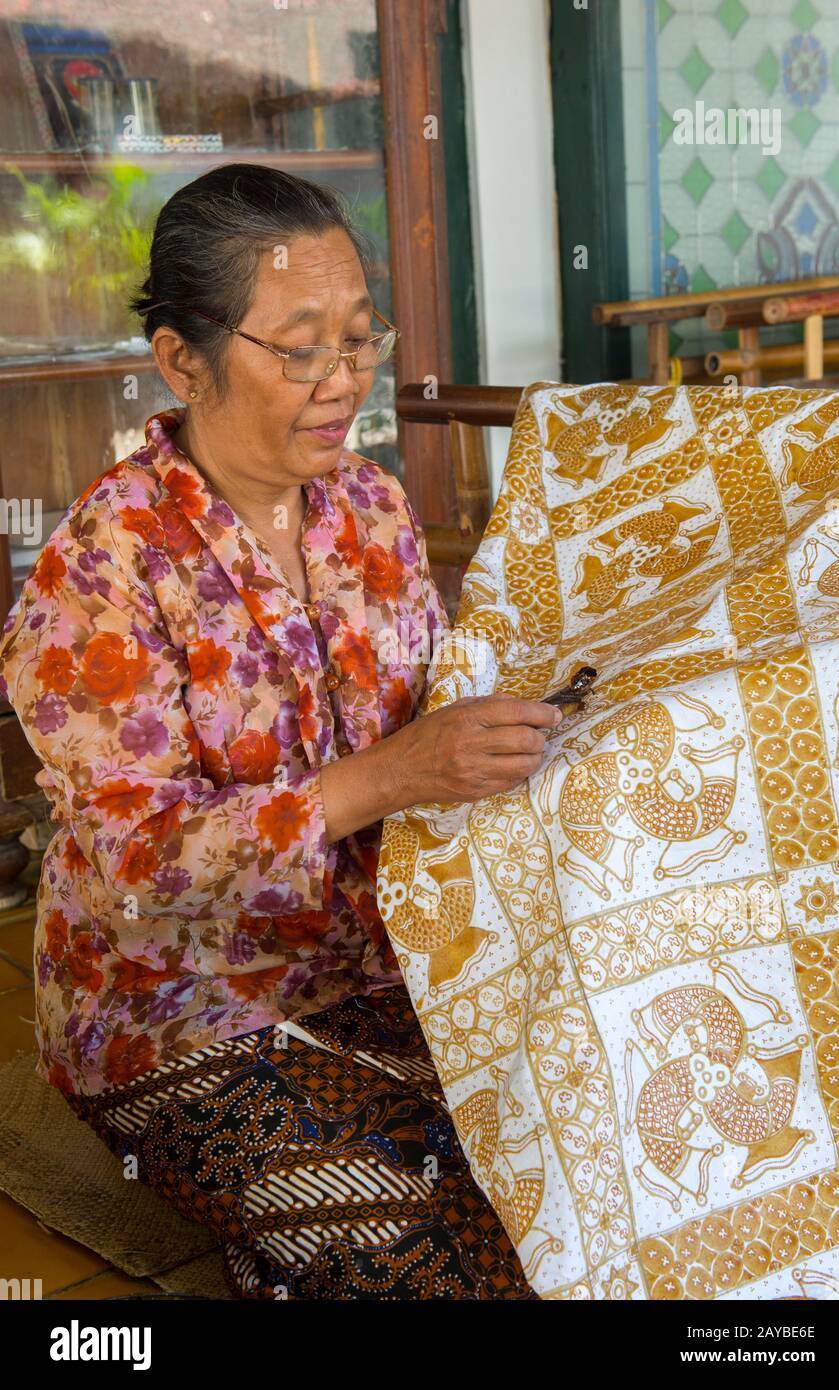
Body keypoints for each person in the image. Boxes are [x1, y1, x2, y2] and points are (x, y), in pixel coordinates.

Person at [0, 165, 561, 1299]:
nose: (343, 378)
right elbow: (135, 875)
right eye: (299, 346)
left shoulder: (371, 508)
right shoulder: (103, 567)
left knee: (594, 1169)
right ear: (180, 358)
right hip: (174, 1005)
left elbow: (434, 722)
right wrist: (382, 778)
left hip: (386, 959)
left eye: (360, 338)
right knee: (442, 1253)